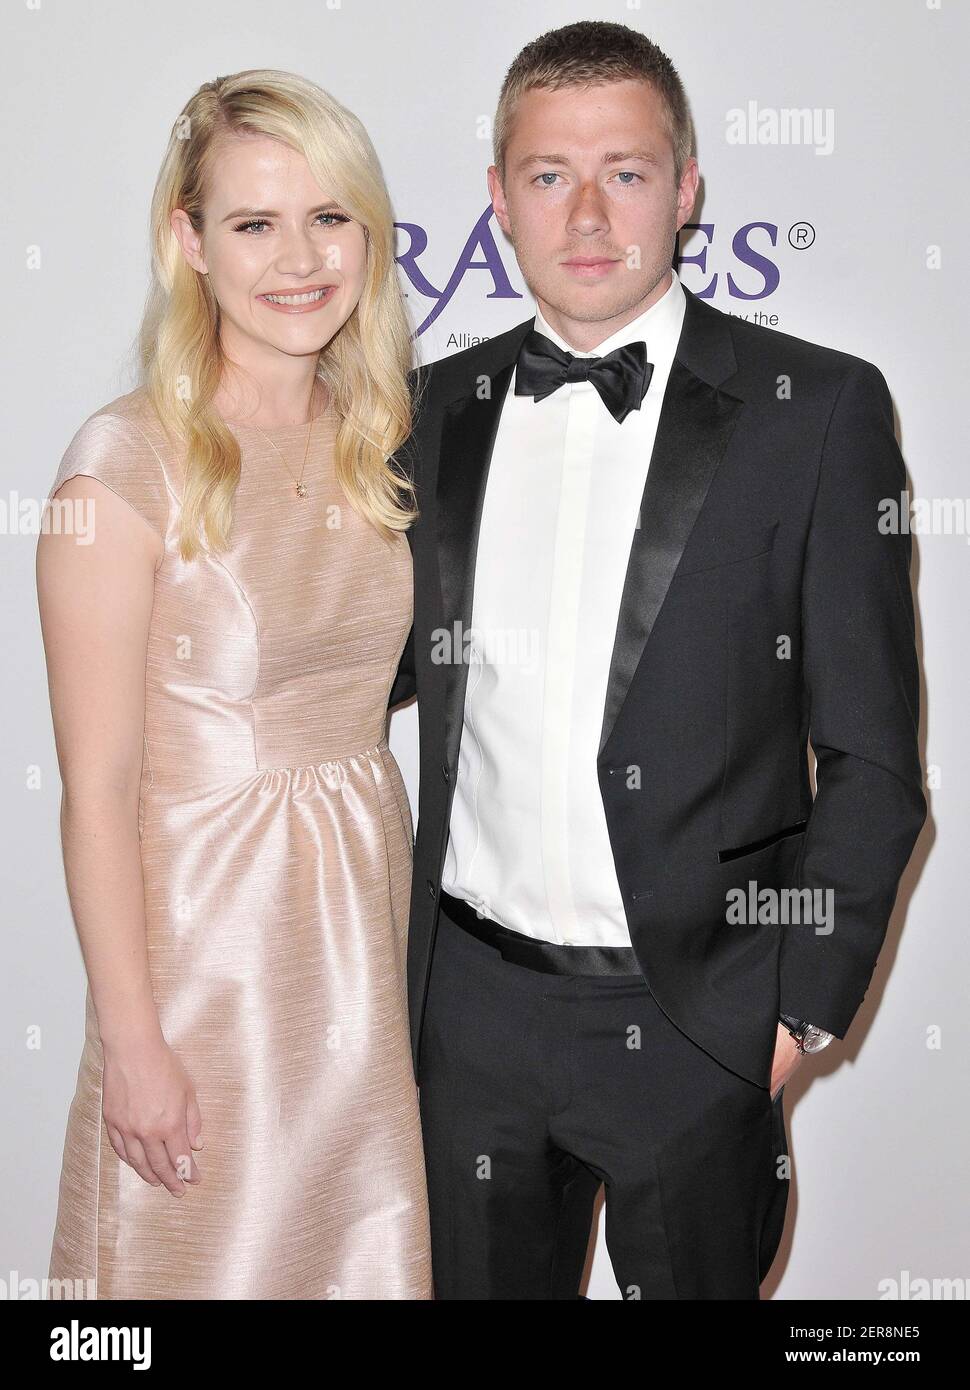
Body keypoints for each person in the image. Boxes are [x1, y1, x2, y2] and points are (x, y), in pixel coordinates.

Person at [393, 21, 926, 1299]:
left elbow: (870, 759)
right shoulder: (431, 408)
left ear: (686, 189)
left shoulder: (819, 412)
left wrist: (791, 1016)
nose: (586, 215)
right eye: (548, 174)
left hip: (698, 1022)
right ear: (497, 198)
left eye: (625, 172)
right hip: (468, 1017)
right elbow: (356, 669)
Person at [37, 69, 431, 1300]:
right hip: (210, 963)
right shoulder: (124, 464)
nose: (299, 260)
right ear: (189, 240)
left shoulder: (379, 441)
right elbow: (97, 787)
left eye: (329, 217)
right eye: (254, 223)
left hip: (360, 942)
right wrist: (133, 1040)